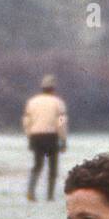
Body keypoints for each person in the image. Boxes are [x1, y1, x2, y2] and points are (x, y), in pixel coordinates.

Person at [23, 74, 68, 202]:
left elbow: (26, 121)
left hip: (36, 136)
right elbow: (61, 122)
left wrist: (29, 136)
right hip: (51, 136)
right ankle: (50, 195)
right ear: (53, 88)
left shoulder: (32, 102)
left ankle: (31, 192)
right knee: (53, 167)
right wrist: (63, 139)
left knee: (37, 165)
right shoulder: (58, 103)